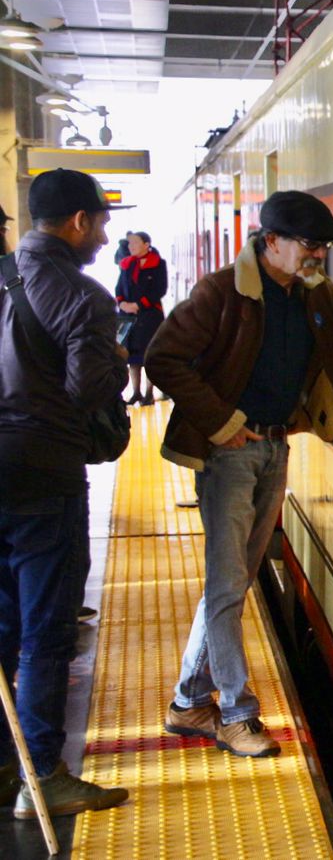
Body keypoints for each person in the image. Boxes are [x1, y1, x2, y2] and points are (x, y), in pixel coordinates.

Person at [146, 190, 333, 758]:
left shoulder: (308, 294)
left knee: (233, 584)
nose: (317, 256)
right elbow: (161, 358)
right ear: (270, 241)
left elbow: (331, 315)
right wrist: (221, 421)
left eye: (323, 247)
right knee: (228, 585)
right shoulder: (222, 293)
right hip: (229, 454)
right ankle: (235, 713)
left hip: (276, 449)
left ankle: (188, 703)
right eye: (308, 245)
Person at [0, 169, 131, 818]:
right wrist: (118, 363)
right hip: (43, 474)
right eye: (100, 223)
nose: (104, 238)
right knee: (46, 632)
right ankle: (45, 776)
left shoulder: (3, 275)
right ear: (78, 222)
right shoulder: (83, 296)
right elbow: (88, 389)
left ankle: (9, 763)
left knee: (3, 625)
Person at [114, 231, 167, 405]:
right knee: (132, 356)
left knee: (149, 355)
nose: (131, 246)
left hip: (149, 316)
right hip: (128, 316)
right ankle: (136, 392)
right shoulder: (127, 264)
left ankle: (149, 393)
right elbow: (119, 288)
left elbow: (159, 289)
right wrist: (122, 303)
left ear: (146, 244)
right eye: (130, 244)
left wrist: (139, 305)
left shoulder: (157, 264)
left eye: (135, 243)